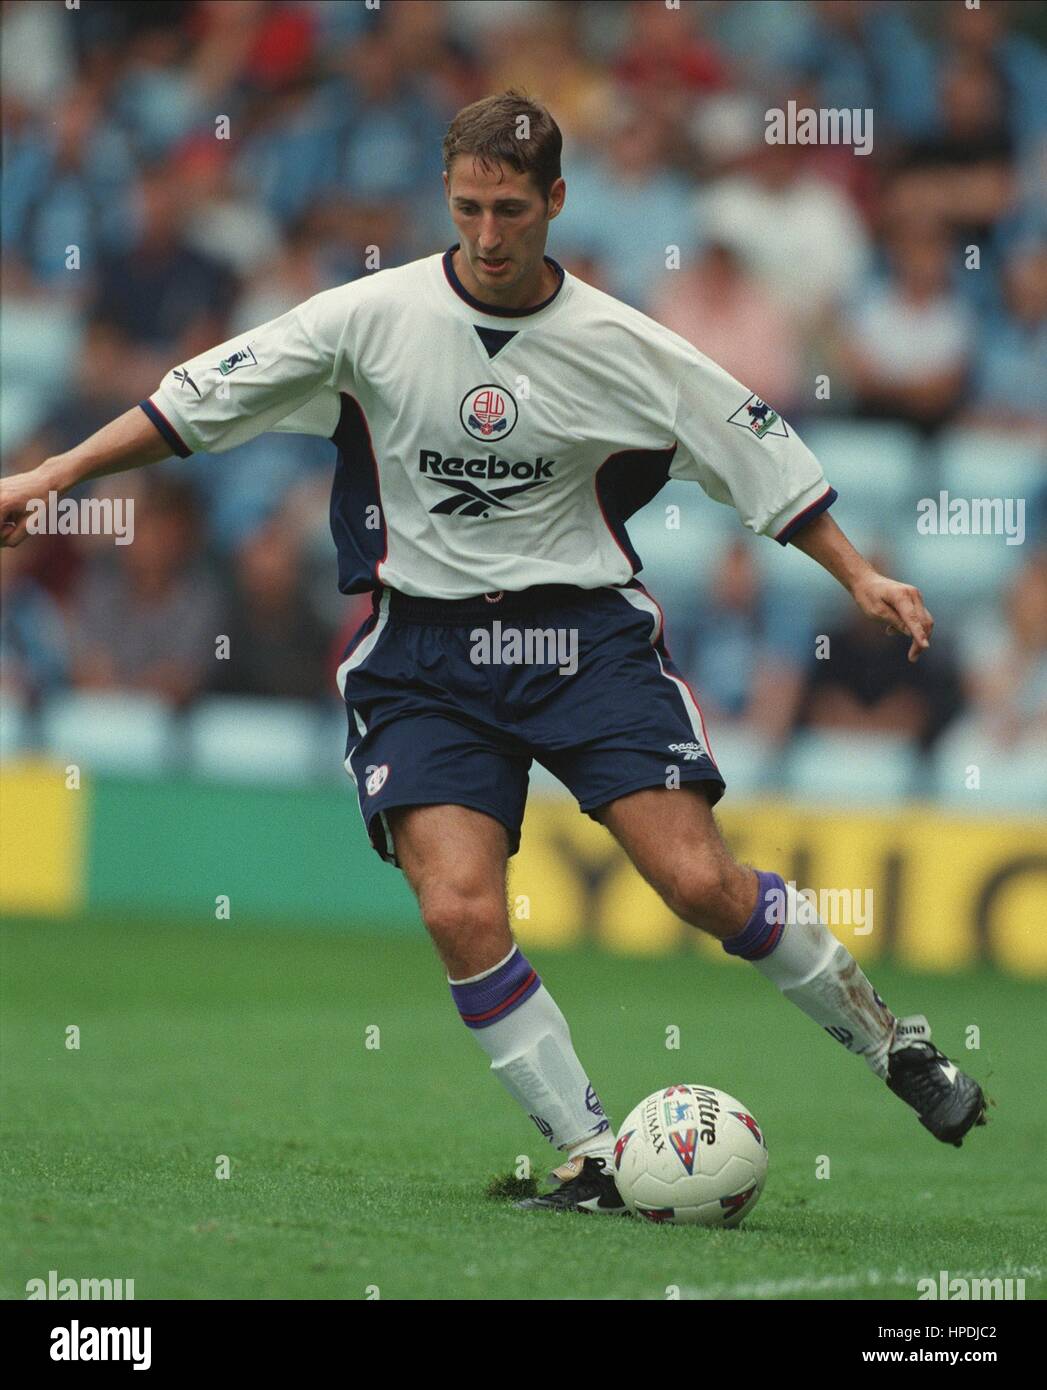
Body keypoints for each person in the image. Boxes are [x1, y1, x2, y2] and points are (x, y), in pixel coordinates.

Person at [0, 92, 986, 1216]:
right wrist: (56, 473)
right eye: (468, 207)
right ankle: (594, 1157)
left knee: (698, 881)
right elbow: (196, 401)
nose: (488, 232)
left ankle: (894, 1046)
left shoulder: (625, 346)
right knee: (460, 910)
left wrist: (856, 574)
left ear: (556, 201)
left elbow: (753, 448)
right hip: (421, 652)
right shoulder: (366, 317)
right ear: (447, 198)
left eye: (512, 208)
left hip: (582, 641)